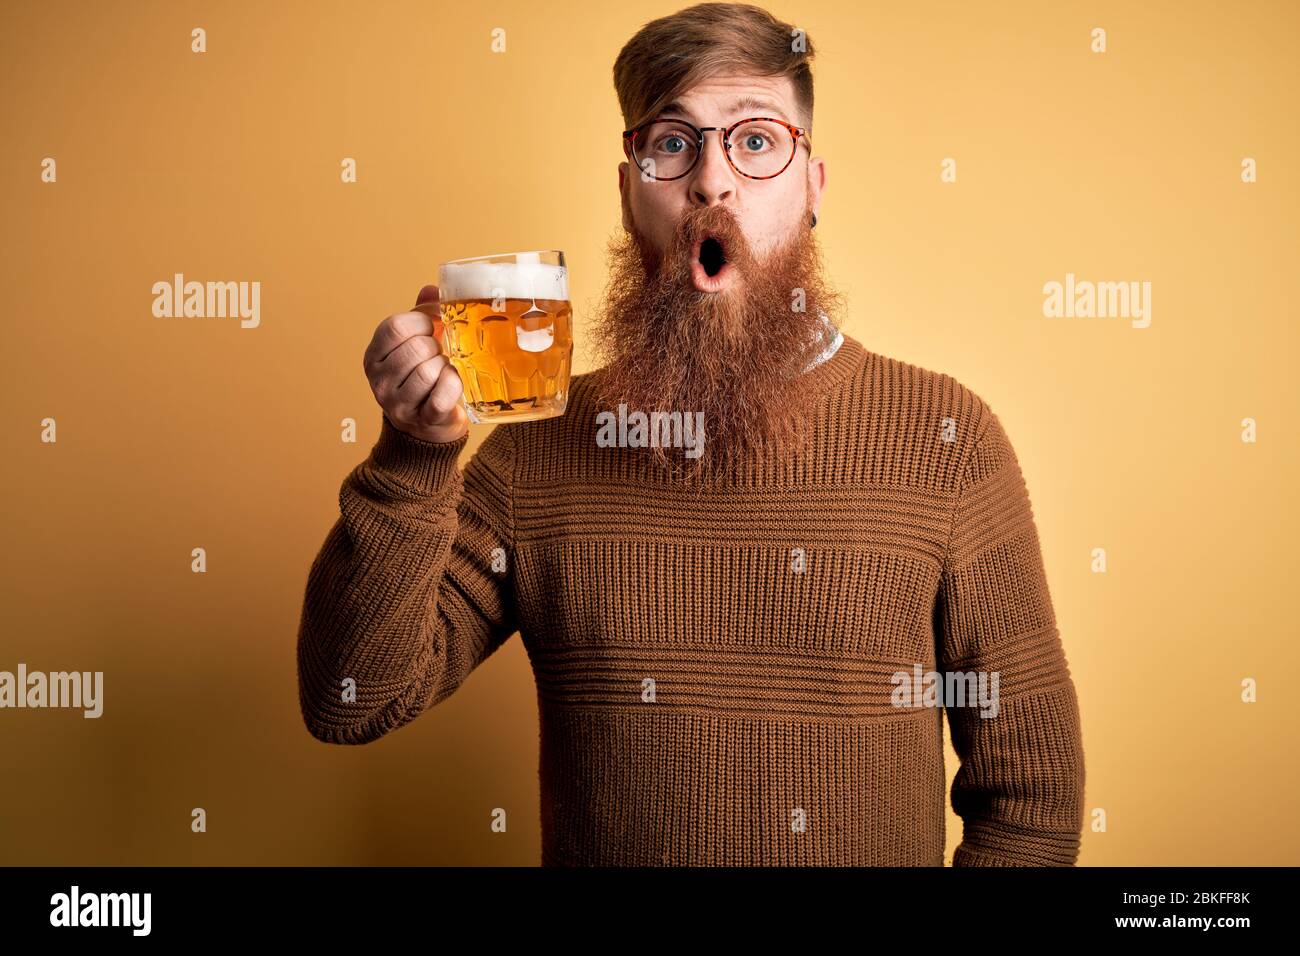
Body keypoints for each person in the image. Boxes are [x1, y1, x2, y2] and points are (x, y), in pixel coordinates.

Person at [296, 1, 1086, 866]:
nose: (713, 181)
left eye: (755, 141)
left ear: (813, 188)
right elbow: (352, 702)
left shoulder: (948, 442)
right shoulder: (533, 454)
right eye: (673, 143)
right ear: (629, 191)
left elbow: (1032, 806)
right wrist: (415, 451)